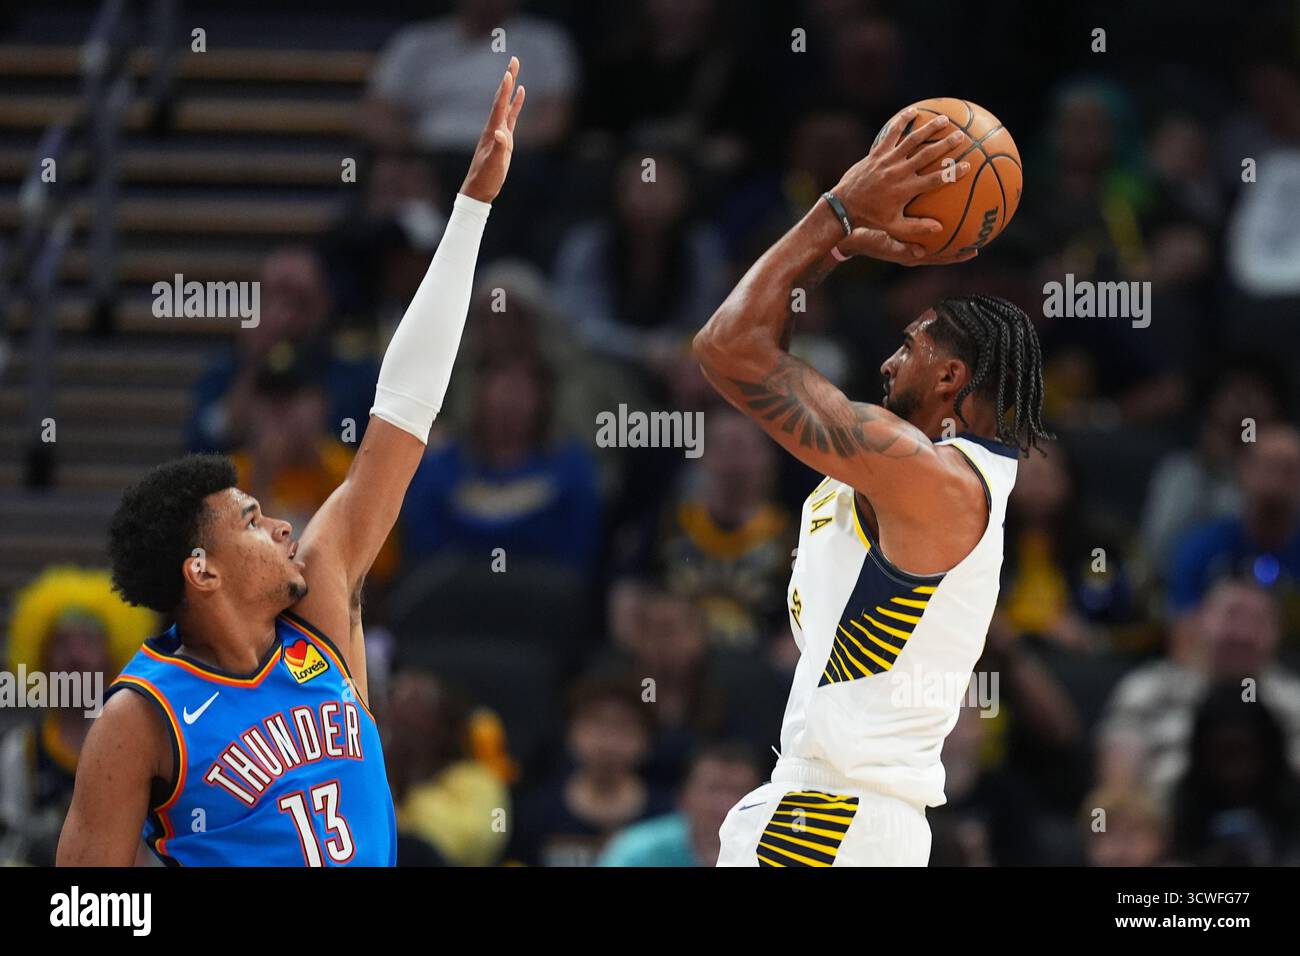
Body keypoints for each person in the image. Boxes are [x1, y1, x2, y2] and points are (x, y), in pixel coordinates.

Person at [55, 60, 528, 867]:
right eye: (248, 519)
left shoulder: (320, 609)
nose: (279, 523)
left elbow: (403, 414)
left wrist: (472, 210)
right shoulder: (140, 716)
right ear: (200, 571)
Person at [693, 107, 1052, 866]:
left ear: (952, 377)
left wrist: (836, 216)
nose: (888, 364)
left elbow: (728, 348)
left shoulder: (929, 476)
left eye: (909, 348)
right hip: (843, 821)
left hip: (827, 827)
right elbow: (749, 342)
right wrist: (838, 247)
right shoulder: (935, 476)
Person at [599, 742, 762, 867]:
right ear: (682, 797)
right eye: (713, 789)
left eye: (738, 791)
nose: (725, 803)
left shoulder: (775, 850)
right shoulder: (636, 850)